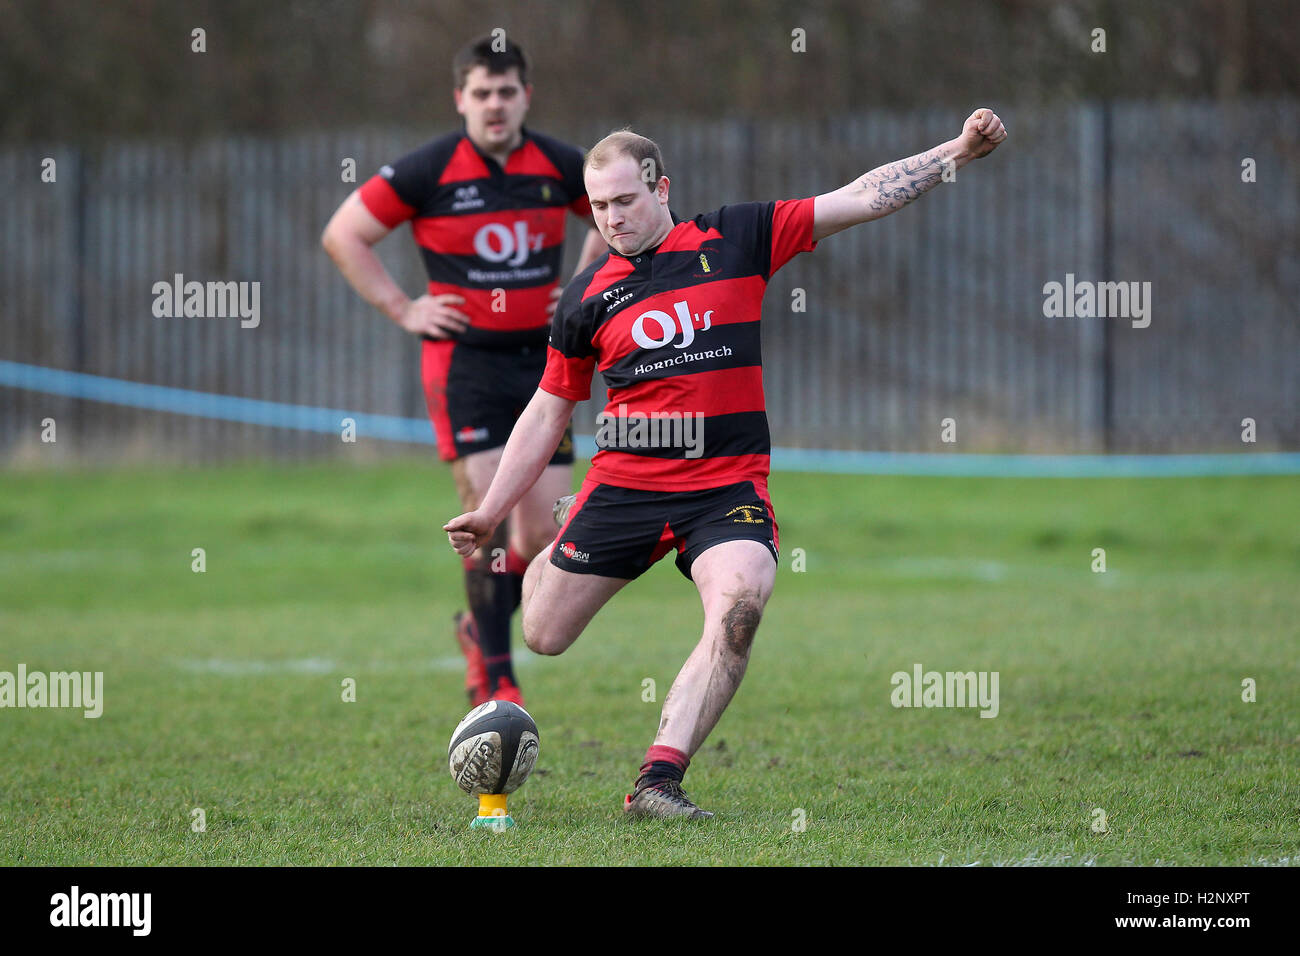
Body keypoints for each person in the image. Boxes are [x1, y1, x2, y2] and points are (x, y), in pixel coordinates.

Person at [444, 110, 1008, 817]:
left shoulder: (736, 236)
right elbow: (548, 409)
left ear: (661, 188)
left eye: (626, 200)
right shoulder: (583, 299)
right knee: (543, 632)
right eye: (599, 207)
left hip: (725, 487)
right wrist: (493, 510)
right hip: (625, 485)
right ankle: (572, 529)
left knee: (740, 605)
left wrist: (957, 150)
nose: (613, 218)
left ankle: (657, 782)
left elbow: (862, 196)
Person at [322, 36, 605, 708]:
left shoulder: (561, 163)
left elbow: (612, 209)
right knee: (487, 518)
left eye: (507, 92)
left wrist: (583, 285)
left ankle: (480, 634)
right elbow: (344, 234)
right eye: (481, 93)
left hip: (545, 366)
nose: (495, 105)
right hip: (466, 367)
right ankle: (498, 674)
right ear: (460, 99)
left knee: (538, 533)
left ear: (526, 96)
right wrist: (404, 307)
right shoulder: (429, 169)